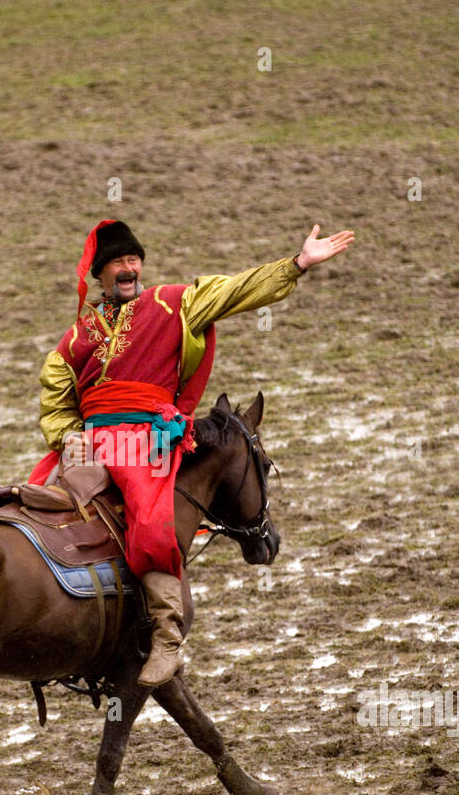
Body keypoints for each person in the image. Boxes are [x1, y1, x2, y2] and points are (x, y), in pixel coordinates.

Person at [30, 218, 354, 685]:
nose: (129, 267)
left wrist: (298, 263)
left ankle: (165, 636)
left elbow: (234, 291)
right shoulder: (78, 336)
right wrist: (66, 435)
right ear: (99, 275)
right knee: (41, 504)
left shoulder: (174, 303)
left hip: (146, 439)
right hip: (90, 442)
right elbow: (56, 398)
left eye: (134, 259)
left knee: (149, 517)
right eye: (118, 262)